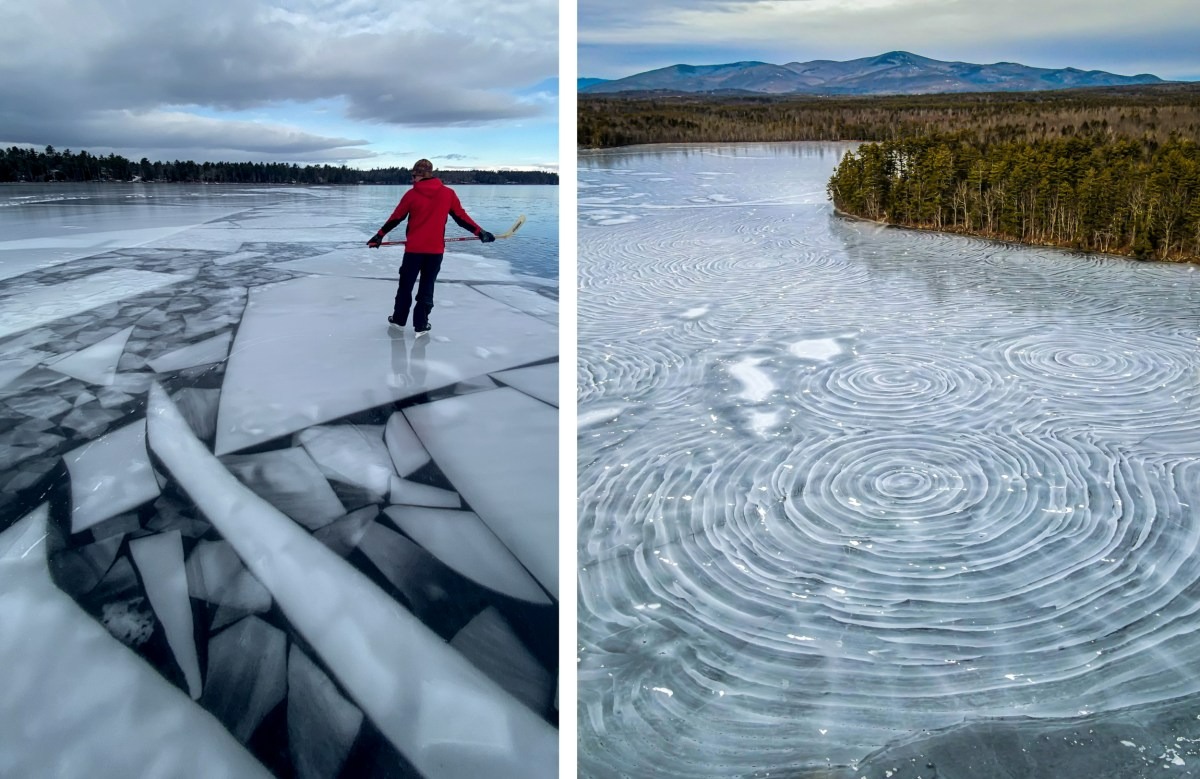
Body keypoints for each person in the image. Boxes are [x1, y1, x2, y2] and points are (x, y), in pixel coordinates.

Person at [367, 159, 495, 334]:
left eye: (414, 176)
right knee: (427, 287)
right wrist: (480, 232)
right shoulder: (448, 194)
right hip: (435, 251)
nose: (412, 179)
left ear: (421, 176)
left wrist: (379, 235)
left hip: (413, 251)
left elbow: (396, 217)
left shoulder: (411, 195)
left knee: (405, 286)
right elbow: (461, 218)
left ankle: (398, 320)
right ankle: (421, 324)